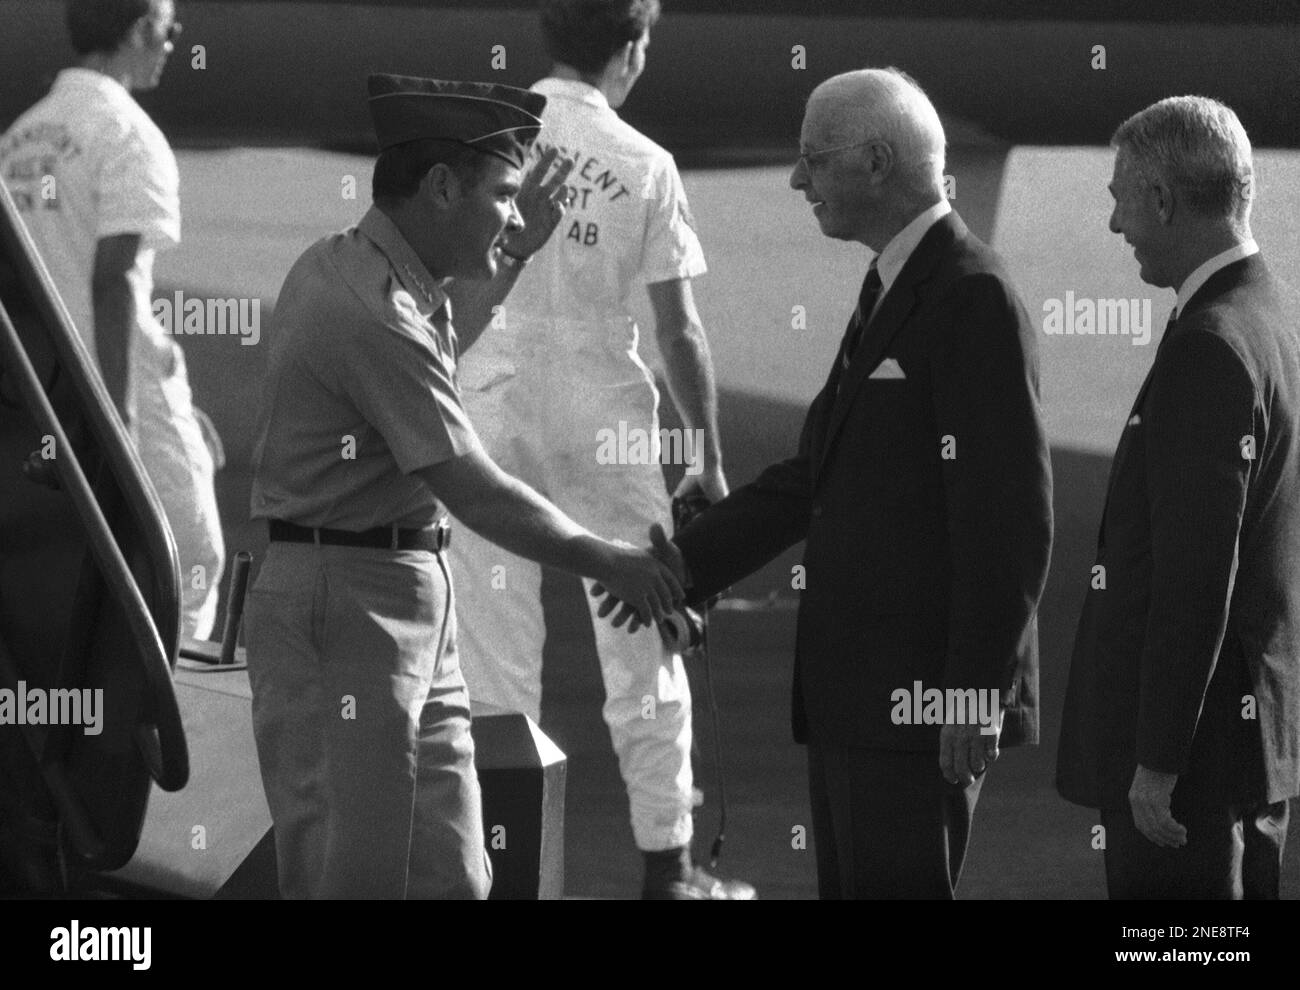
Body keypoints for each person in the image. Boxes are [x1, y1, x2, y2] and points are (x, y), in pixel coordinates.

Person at [602, 67, 1053, 899]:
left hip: (919, 702)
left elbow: (1012, 516)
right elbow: (816, 474)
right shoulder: (895, 282)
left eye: (815, 158)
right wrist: (681, 568)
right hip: (860, 692)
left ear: (878, 162)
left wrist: (971, 692)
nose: (797, 179)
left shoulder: (972, 294)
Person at [245, 72, 685, 899]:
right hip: (346, 608)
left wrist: (513, 254)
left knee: (457, 879)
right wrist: (608, 558)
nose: (519, 217)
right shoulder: (370, 308)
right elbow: (473, 486)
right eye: (505, 197)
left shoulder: (394, 280)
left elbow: (445, 353)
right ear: (442, 188)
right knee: (356, 881)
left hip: (403, 598)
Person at [444, 0, 748, 899]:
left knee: (493, 652)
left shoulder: (488, 141)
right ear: (632, 46)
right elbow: (679, 332)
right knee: (645, 645)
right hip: (602, 425)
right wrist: (708, 457)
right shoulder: (645, 163)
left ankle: (502, 867)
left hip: (486, 409)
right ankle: (669, 868)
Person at [1056, 96, 1300, 899]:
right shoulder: (1266, 317)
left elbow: (1198, 575)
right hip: (1249, 747)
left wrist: (1158, 762)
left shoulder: (1210, 344)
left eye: (1121, 196)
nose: (1116, 222)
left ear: (1162, 199)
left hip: (1191, 773)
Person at [0, 0, 225, 638]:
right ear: (138, 31)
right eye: (168, 26)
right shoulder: (128, 134)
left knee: (74, 565)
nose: (175, 40)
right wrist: (120, 422)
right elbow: (115, 279)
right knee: (192, 553)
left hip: (41, 386)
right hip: (114, 380)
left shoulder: (17, 137)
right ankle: (172, 718)